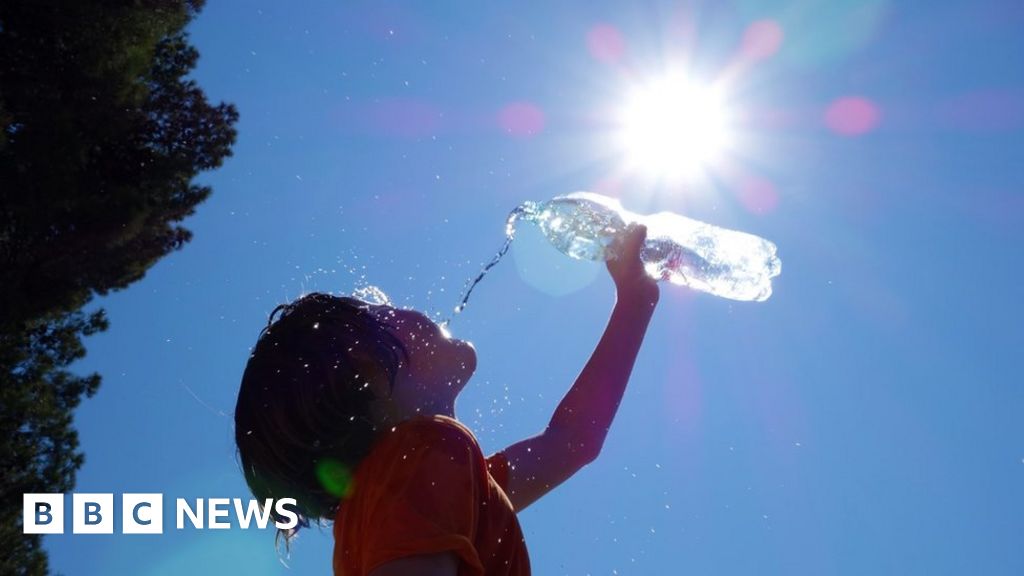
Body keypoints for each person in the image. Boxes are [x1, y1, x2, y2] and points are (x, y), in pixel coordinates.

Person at [234, 223, 660, 575]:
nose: (403, 308)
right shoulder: (422, 452)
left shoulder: (428, 482)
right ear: (367, 371)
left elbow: (573, 440)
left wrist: (636, 302)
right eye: (380, 310)